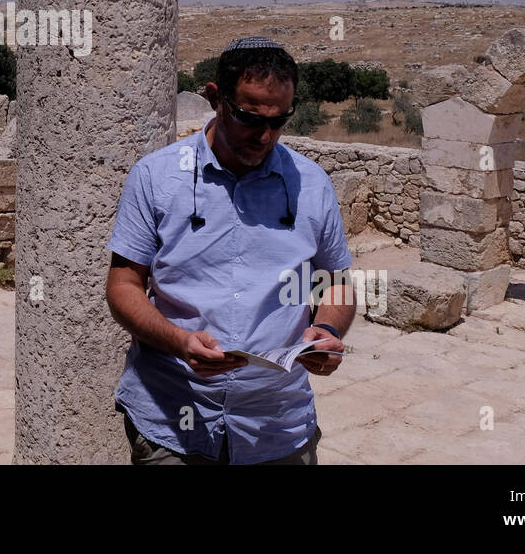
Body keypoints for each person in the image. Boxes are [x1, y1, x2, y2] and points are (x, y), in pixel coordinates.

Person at [105, 36, 355, 464]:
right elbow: (123, 285)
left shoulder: (311, 183)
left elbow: (336, 283)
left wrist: (328, 331)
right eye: (249, 118)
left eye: (279, 121)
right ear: (215, 97)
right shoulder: (155, 177)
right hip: (173, 422)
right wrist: (179, 341)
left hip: (276, 427)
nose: (264, 136)